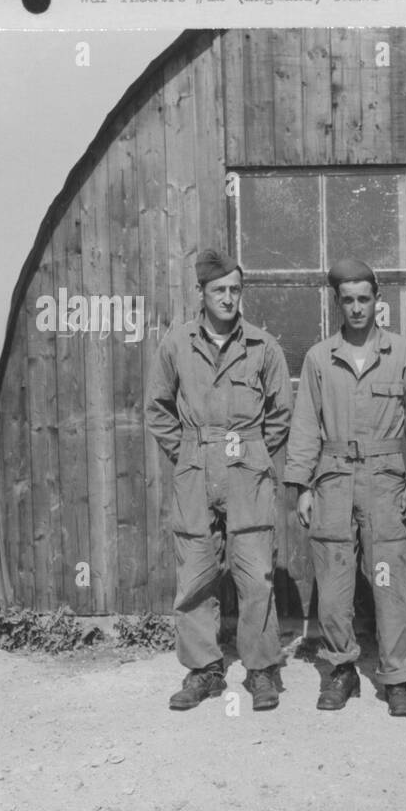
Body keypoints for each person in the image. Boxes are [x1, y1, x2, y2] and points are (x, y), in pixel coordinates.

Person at [282, 259, 406, 716]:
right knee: (332, 584)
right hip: (332, 480)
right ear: (337, 303)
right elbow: (305, 425)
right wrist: (302, 486)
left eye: (363, 299)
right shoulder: (319, 358)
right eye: (347, 300)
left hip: (387, 482)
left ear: (377, 301)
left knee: (390, 581)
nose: (356, 308)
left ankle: (396, 678)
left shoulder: (403, 353)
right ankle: (342, 669)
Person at [145, 248, 293, 712]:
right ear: (202, 294)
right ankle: (203, 670)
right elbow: (157, 409)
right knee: (195, 574)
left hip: (246, 469)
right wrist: (189, 451)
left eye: (234, 290)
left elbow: (280, 414)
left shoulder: (263, 346)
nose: (228, 299)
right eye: (219, 291)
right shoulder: (176, 344)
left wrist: (251, 453)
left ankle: (262, 669)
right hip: (195, 466)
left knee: (256, 575)